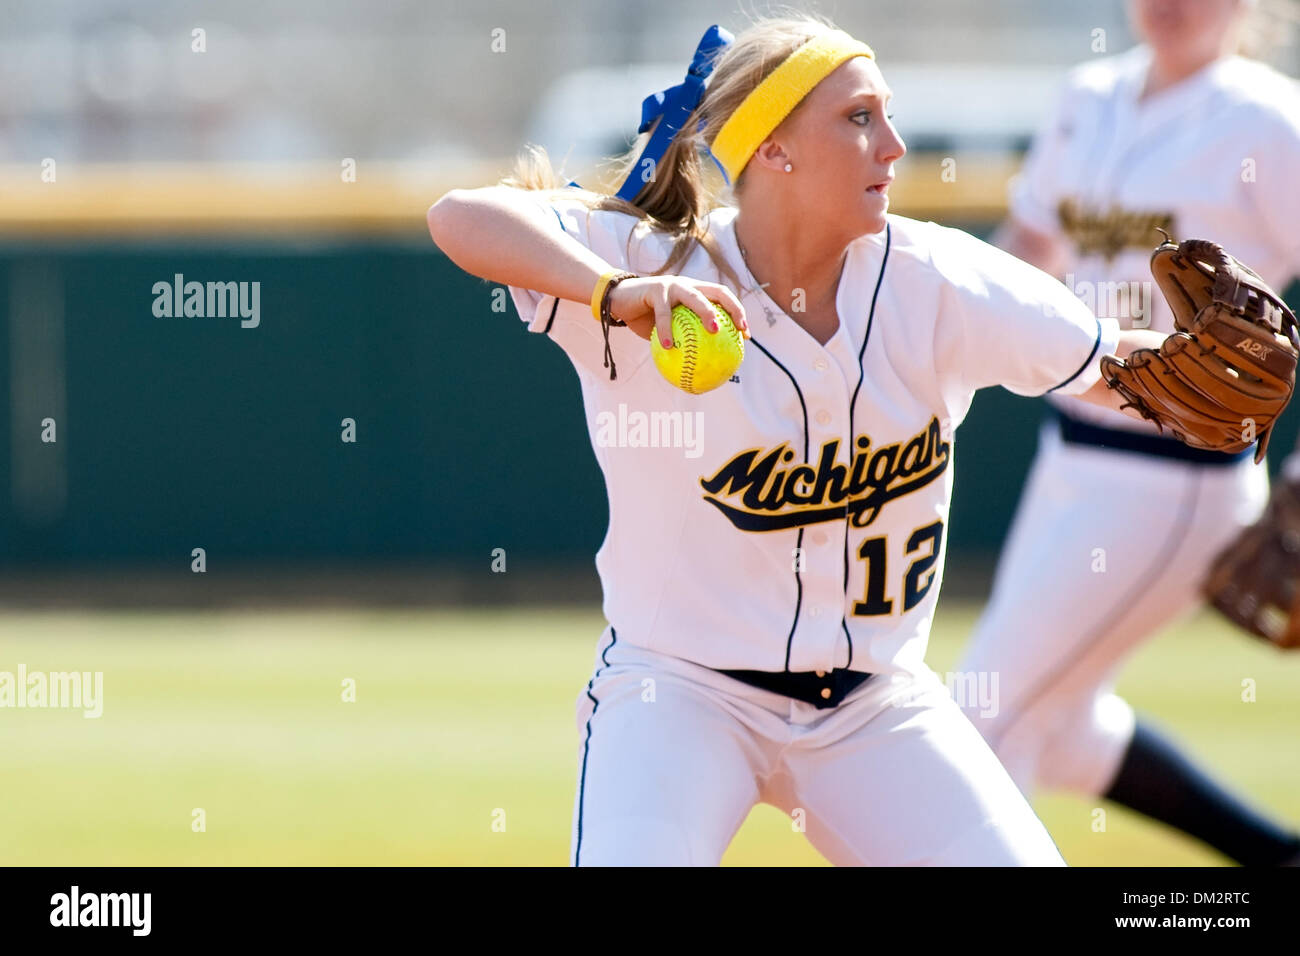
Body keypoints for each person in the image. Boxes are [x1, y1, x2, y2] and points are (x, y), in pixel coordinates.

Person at [428, 14, 1187, 866]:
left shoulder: (937, 279)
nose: (894, 145)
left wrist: (1203, 374)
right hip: (678, 694)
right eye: (859, 117)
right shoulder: (657, 266)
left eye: (886, 115)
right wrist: (616, 293)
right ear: (775, 150)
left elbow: (1115, 364)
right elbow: (461, 217)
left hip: (876, 708)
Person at [956, 0, 1300, 865]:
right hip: (1068, 452)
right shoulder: (1088, 95)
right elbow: (1027, 250)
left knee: (978, 724)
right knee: (1057, 724)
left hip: (1176, 474)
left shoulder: (1268, 119)